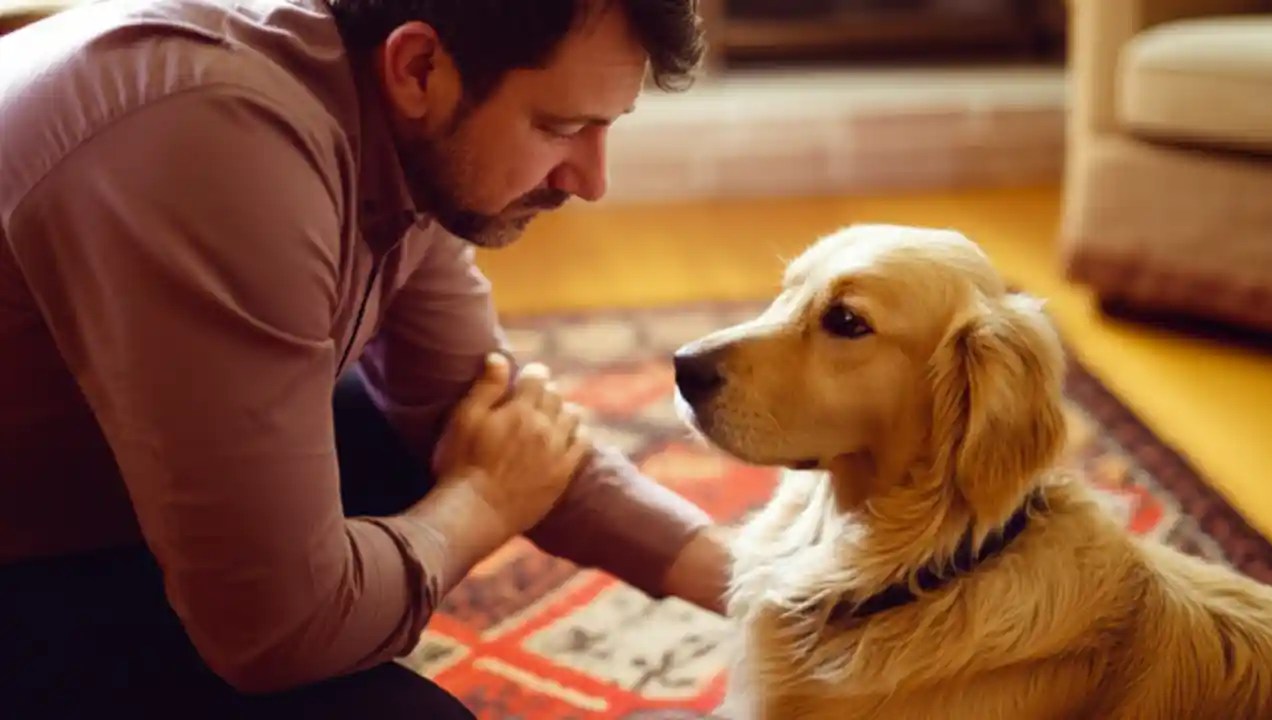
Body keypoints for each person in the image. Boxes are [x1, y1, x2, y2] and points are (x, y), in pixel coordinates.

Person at [0, 0, 731, 715]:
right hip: (26, 553)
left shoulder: (396, 128)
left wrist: (764, 580)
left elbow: (505, 427)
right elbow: (279, 632)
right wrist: (476, 507)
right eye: (559, 127)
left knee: (433, 432)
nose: (591, 180)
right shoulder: (223, 155)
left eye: (604, 128)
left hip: (82, 479)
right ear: (419, 67)